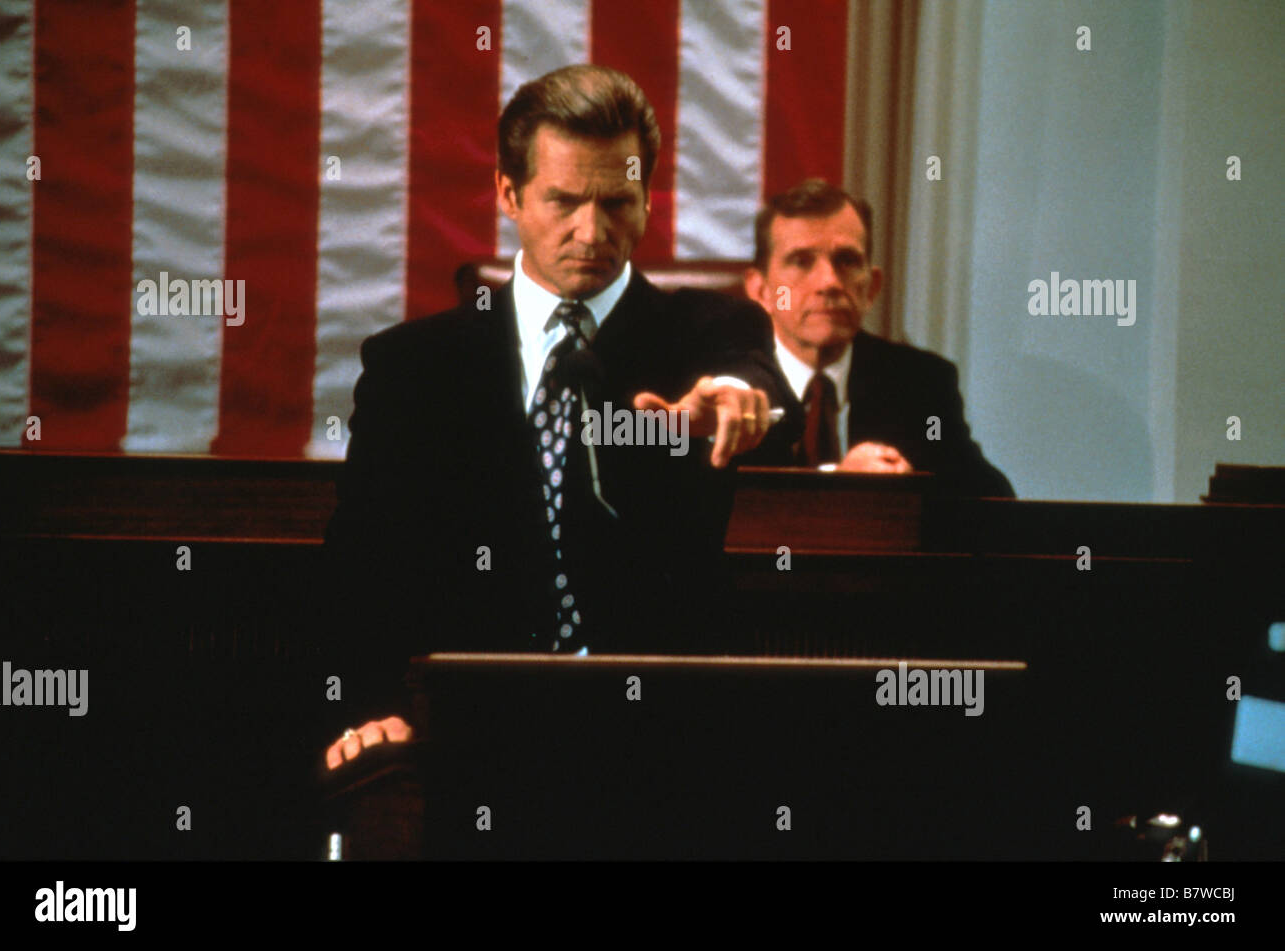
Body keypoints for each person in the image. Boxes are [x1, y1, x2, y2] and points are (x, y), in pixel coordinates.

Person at [322, 65, 788, 769]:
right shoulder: (412, 368)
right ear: (509, 193)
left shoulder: (708, 331)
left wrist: (733, 390)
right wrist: (369, 710)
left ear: (648, 200)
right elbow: (362, 573)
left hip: (667, 743)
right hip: (463, 736)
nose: (591, 231)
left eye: (617, 202)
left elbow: (747, 369)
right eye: (564, 200)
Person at [744, 179, 1014, 497]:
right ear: (761, 291)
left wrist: (911, 484)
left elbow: (992, 503)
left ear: (871, 287)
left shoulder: (920, 383)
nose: (829, 282)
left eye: (846, 261)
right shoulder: (729, 384)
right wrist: (840, 479)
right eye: (802, 261)